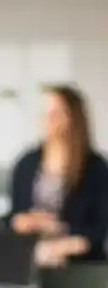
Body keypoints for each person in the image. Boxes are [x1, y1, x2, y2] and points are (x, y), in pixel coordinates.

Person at [9, 84, 108, 264]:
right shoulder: (26, 163)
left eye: (55, 114)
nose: (48, 120)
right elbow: (14, 215)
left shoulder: (96, 168)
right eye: (44, 114)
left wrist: (59, 234)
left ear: (73, 118)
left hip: (78, 264)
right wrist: (22, 222)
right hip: (31, 258)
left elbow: (98, 230)